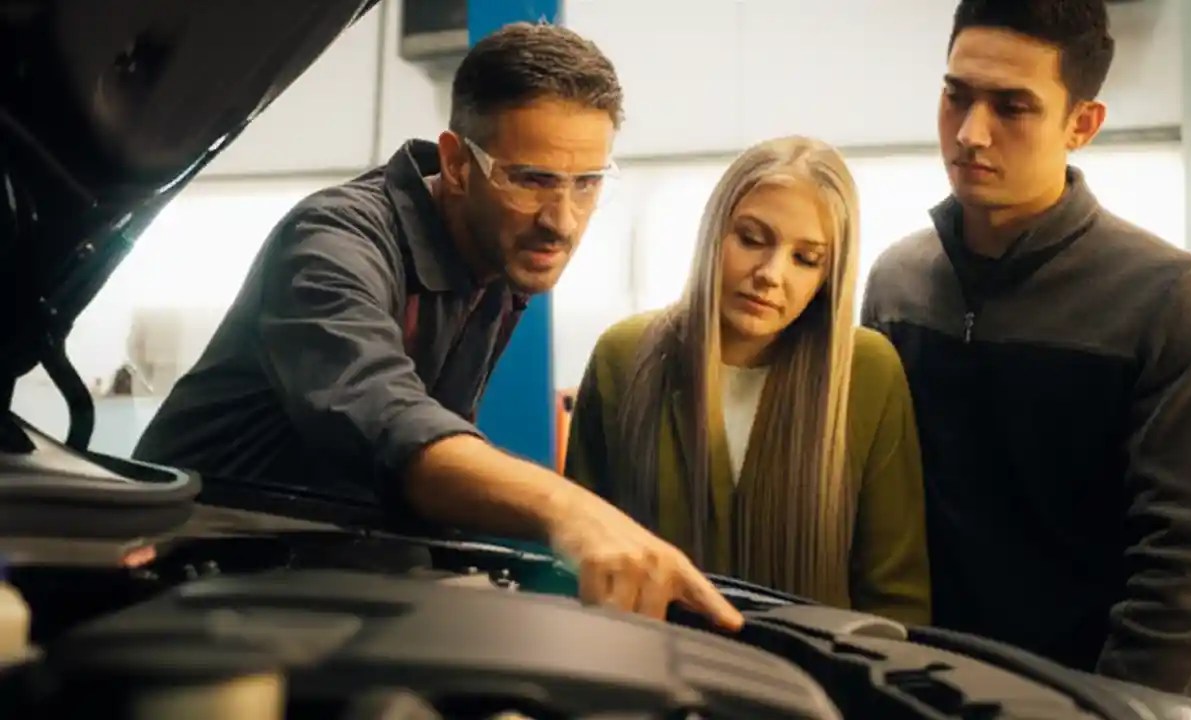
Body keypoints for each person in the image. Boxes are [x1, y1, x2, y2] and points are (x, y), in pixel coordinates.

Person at [132, 22, 743, 632]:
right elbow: (394, 425)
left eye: (586, 184)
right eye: (531, 179)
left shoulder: (499, 256)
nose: (562, 221)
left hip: (316, 570)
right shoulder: (334, 241)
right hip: (176, 580)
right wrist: (574, 511)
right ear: (455, 162)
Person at [859, 0, 1191, 699]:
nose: (972, 133)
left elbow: (1183, 568)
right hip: (934, 692)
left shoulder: (1168, 297)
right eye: (957, 96)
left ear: (1082, 125)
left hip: (1109, 702)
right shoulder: (897, 285)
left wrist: (1100, 711)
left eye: (1012, 106)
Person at [565, 136, 931, 623]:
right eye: (752, 239)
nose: (770, 274)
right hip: (651, 671)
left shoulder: (866, 371)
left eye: (806, 259)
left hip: (815, 683)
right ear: (715, 233)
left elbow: (895, 595)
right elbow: (579, 556)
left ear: (829, 275)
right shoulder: (624, 355)